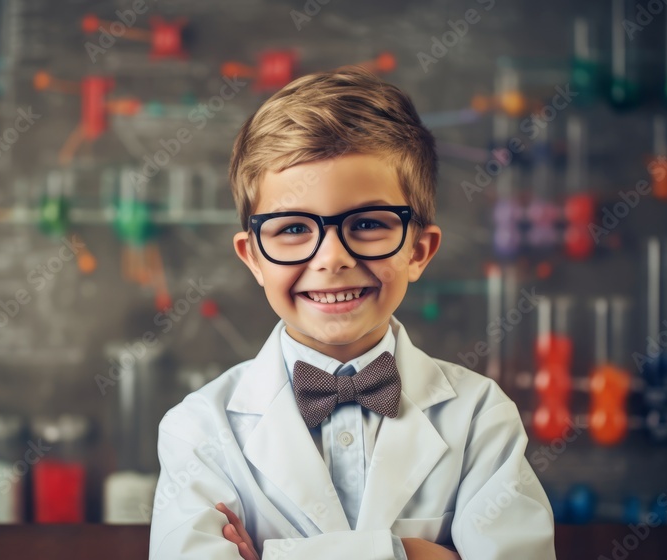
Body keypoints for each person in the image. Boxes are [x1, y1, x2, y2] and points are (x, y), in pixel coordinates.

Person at [148, 65, 556, 559]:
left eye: (367, 223)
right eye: (293, 229)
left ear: (419, 251)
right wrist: (421, 554)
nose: (332, 258)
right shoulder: (197, 428)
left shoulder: (480, 415)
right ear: (253, 257)